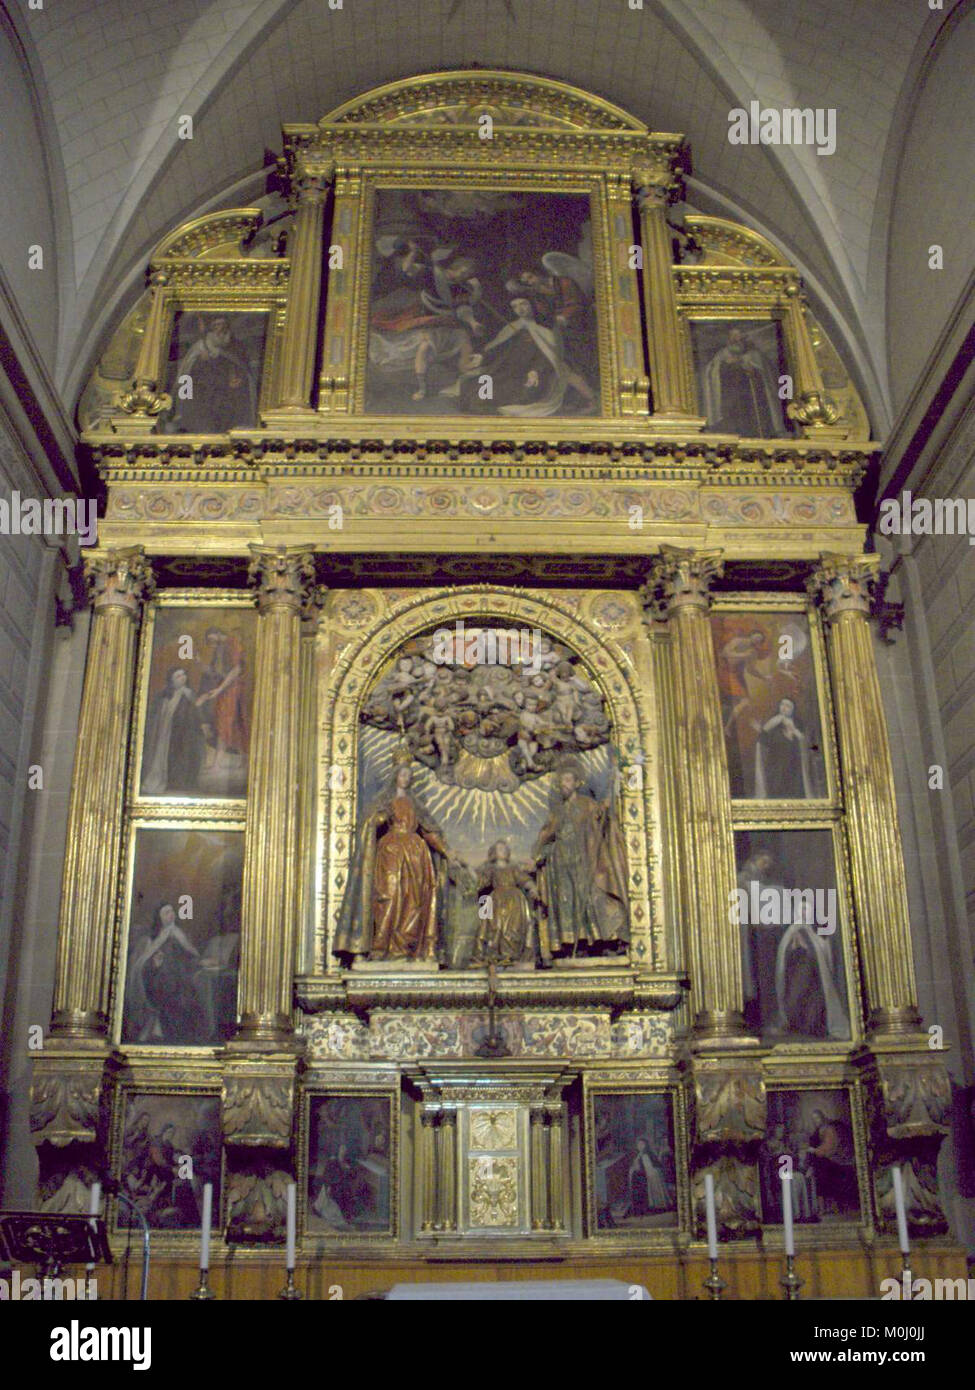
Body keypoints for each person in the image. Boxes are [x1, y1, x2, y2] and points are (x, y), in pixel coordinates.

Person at [333, 754, 460, 962]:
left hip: (416, 854)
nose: (406, 779)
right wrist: (380, 818)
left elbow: (429, 831)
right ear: (395, 777)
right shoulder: (384, 801)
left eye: (409, 775)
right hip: (391, 852)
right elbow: (372, 822)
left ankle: (406, 949)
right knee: (388, 897)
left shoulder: (416, 805)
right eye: (402, 774)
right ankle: (380, 947)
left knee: (415, 901)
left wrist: (447, 852)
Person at [532, 757, 629, 955]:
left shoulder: (587, 804)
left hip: (585, 861)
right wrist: (541, 854)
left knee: (593, 898)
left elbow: (598, 823)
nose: (564, 785)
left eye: (568, 780)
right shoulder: (557, 813)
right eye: (562, 781)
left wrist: (604, 810)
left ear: (577, 783)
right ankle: (575, 944)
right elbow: (546, 837)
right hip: (563, 865)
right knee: (568, 904)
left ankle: (603, 941)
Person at [701, 326, 787, 436]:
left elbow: (767, 375)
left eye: (738, 337)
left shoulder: (755, 355)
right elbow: (713, 374)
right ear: (728, 340)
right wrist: (729, 365)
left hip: (755, 400)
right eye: (733, 337)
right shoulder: (721, 357)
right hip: (731, 401)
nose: (736, 340)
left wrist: (753, 369)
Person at [471, 840, 537, 966]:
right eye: (499, 848)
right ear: (493, 853)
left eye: (504, 848)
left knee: (513, 927)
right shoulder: (490, 869)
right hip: (496, 901)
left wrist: (532, 888)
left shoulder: (514, 868)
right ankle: (494, 954)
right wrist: (467, 869)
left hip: (515, 901)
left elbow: (524, 880)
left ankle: (512, 955)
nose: (502, 851)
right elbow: (479, 882)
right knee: (493, 926)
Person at [141, 666, 204, 795]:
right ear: (171, 680)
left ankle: (179, 783)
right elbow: (156, 715)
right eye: (178, 676)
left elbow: (194, 715)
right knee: (160, 757)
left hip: (181, 734)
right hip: (164, 733)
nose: (183, 678)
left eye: (184, 675)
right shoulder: (164, 695)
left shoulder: (189, 694)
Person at [753, 697, 814, 799]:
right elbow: (763, 743)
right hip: (776, 768)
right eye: (782, 705)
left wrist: (794, 730)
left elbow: (810, 746)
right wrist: (765, 728)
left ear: (793, 710)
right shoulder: (774, 725)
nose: (784, 708)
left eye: (788, 706)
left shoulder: (799, 724)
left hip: (795, 769)